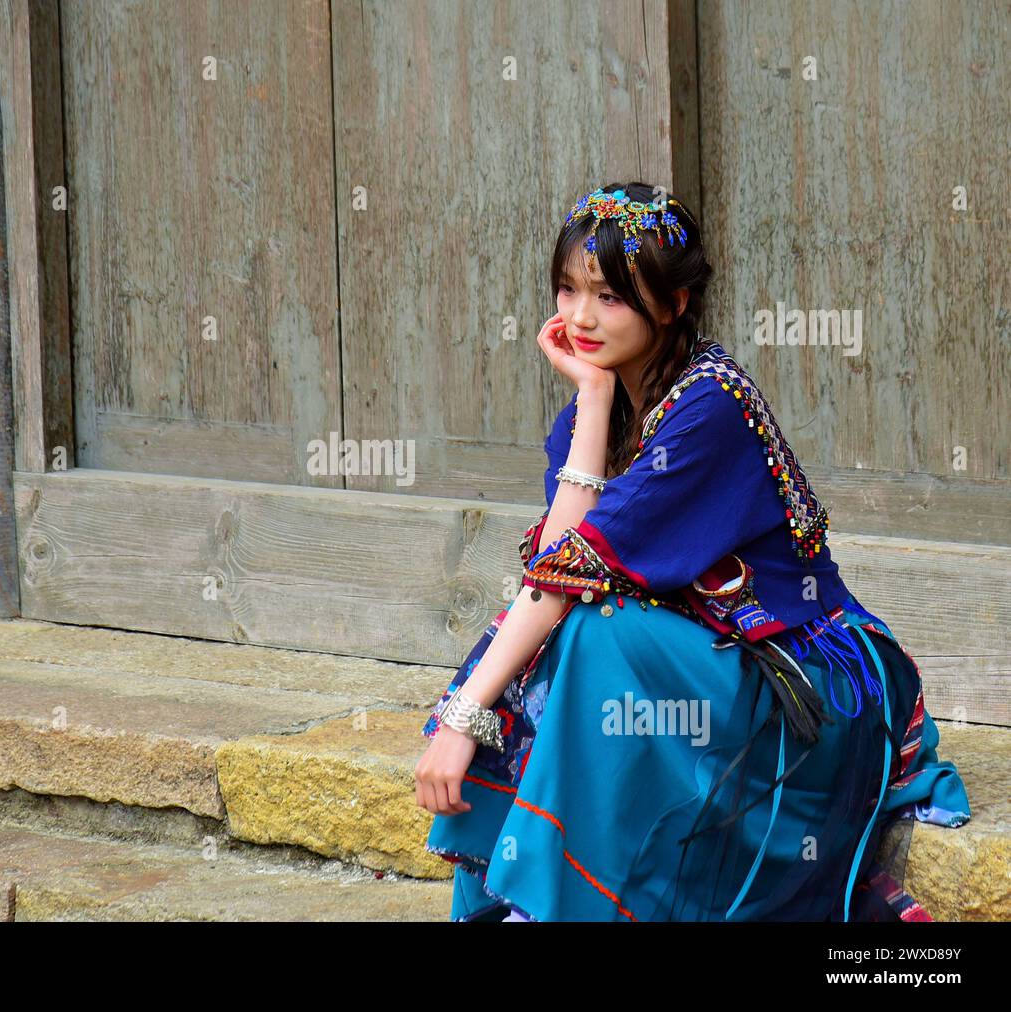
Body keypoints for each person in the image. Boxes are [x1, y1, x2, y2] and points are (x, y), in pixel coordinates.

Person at [413, 181, 971, 922]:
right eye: (567, 289)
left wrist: (461, 720)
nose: (579, 316)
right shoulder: (604, 402)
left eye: (609, 297)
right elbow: (554, 561)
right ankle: (533, 895)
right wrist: (593, 398)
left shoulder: (709, 405)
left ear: (673, 304)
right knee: (563, 630)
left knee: (588, 629)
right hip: (697, 659)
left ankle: (556, 904)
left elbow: (566, 578)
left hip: (805, 683)